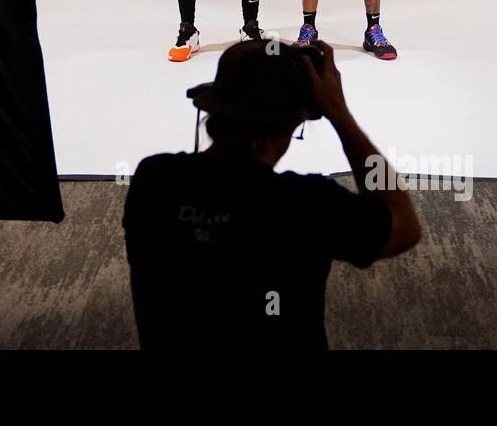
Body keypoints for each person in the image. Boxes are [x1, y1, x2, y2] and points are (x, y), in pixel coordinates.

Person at [122, 39, 421, 350]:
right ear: (296, 118)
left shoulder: (154, 181)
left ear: (215, 108)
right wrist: (338, 111)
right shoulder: (307, 206)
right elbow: (404, 225)